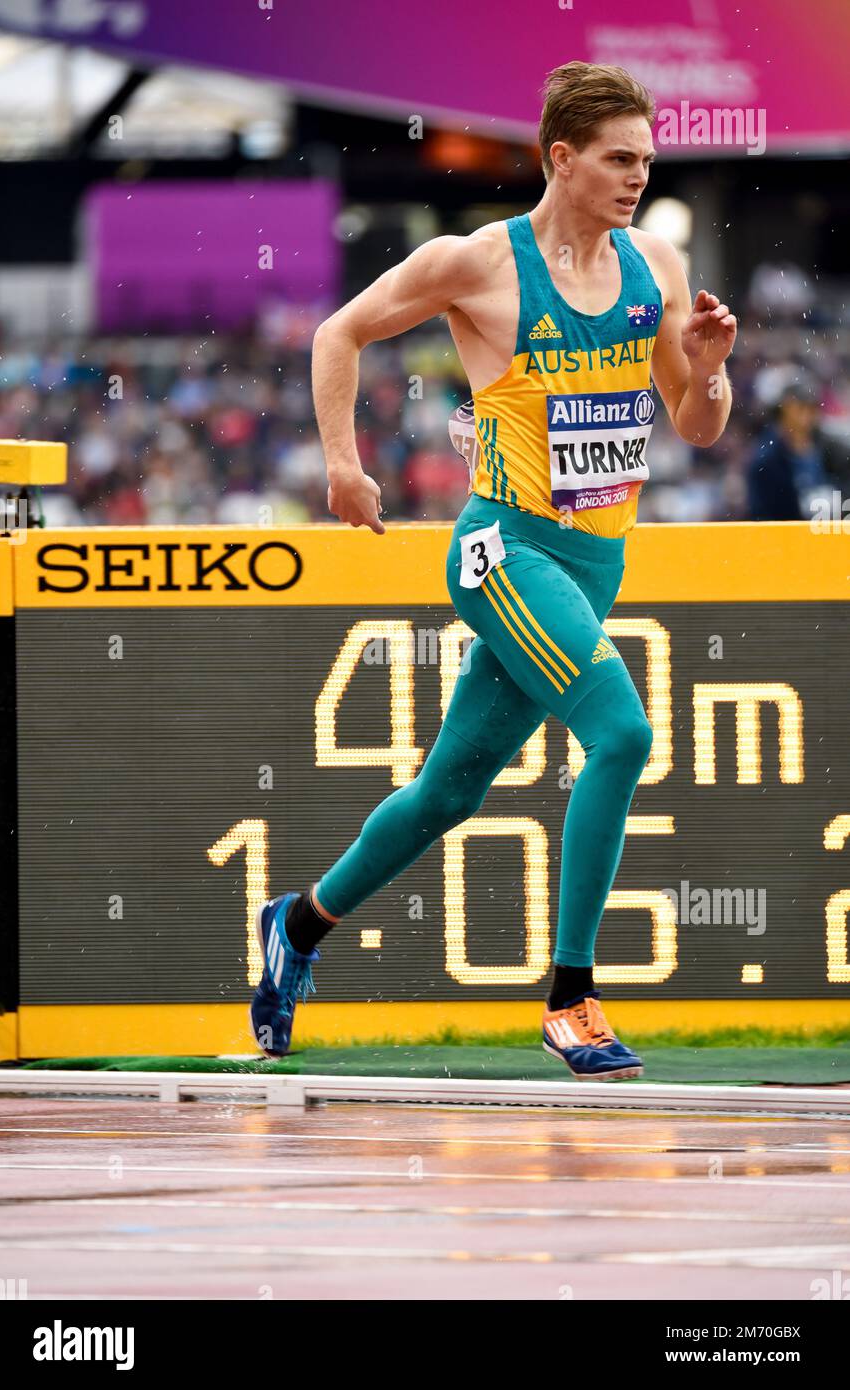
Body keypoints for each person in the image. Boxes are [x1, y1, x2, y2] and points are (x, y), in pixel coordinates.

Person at [250, 61, 737, 1080]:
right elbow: (340, 332)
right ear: (560, 158)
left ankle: (297, 923)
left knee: (445, 794)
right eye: (618, 159)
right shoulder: (478, 264)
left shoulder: (654, 264)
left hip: (593, 566)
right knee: (625, 732)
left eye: (647, 160)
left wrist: (713, 366)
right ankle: (571, 997)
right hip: (501, 552)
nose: (639, 177)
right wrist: (343, 464)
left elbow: (693, 424)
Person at [746, 382, 829, 520]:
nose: (804, 416)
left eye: (809, 409)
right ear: (782, 414)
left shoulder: (832, 451)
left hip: (832, 534)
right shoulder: (766, 462)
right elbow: (762, 514)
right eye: (799, 409)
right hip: (788, 536)